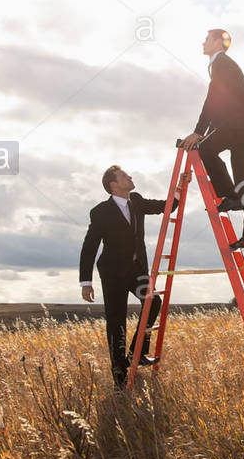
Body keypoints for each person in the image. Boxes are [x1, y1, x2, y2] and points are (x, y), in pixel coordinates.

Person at [78, 164, 187, 388]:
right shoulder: (100, 212)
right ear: (113, 185)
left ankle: (136, 353)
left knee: (153, 302)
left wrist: (180, 188)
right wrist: (86, 282)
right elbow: (89, 246)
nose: (130, 177)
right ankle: (120, 377)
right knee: (116, 322)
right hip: (112, 271)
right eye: (124, 176)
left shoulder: (136, 200)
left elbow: (165, 207)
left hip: (136, 269)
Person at [178, 28, 244, 249]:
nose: (203, 42)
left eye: (206, 39)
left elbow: (212, 99)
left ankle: (230, 195)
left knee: (205, 149)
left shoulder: (221, 63)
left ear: (217, 42)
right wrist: (207, 132)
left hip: (241, 124)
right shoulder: (220, 64)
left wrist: (199, 132)